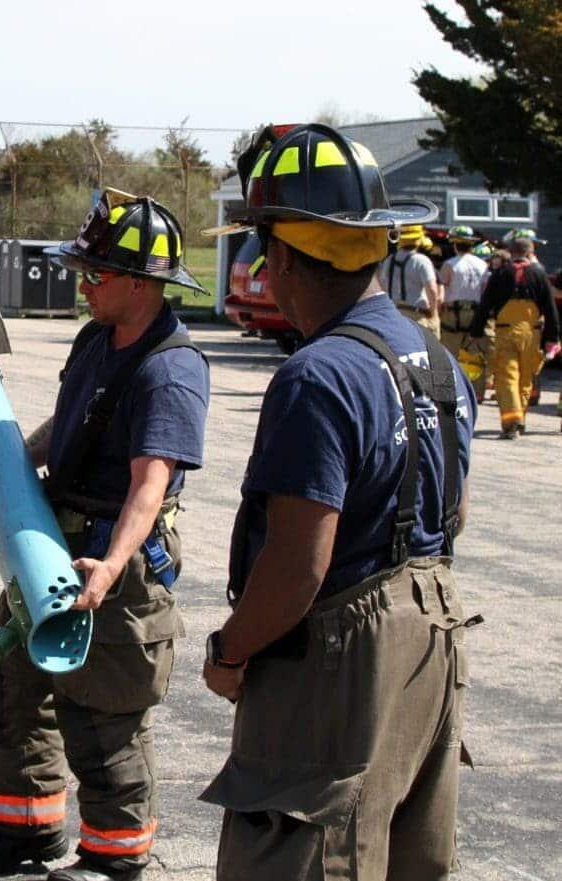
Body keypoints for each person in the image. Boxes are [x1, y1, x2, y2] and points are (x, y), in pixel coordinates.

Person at [201, 122, 477, 880]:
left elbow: (297, 568)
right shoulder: (442, 366)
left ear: (283, 255)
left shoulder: (317, 377)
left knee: (302, 854)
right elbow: (450, 515)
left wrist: (230, 651)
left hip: (335, 666)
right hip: (430, 646)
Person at [0, 191, 209, 881]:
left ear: (141, 282)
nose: (81, 283)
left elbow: (149, 484)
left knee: (103, 713)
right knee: (11, 687)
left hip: (110, 563)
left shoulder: (171, 369)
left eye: (95, 273)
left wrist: (110, 567)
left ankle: (117, 857)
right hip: (48, 549)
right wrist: (2, 456)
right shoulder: (96, 338)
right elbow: (67, 427)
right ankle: (23, 828)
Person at [465, 228, 560, 438]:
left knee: (506, 377)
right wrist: (552, 337)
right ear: (530, 250)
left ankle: (511, 423)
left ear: (510, 250)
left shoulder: (501, 273)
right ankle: (520, 419)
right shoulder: (539, 273)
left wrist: (476, 330)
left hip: (505, 332)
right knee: (526, 378)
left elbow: (486, 303)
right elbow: (549, 308)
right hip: (531, 334)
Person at [439, 226, 490, 397]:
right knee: (474, 352)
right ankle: (477, 392)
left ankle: (450, 391)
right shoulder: (482, 265)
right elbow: (484, 292)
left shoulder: (449, 265)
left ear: (454, 245)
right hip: (476, 313)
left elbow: (442, 292)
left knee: (449, 352)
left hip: (453, 314)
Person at [379, 224, 440, 333]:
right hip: (417, 316)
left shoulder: (389, 260)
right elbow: (432, 290)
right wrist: (434, 313)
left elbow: (383, 286)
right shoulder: (422, 260)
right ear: (418, 239)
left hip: (394, 315)